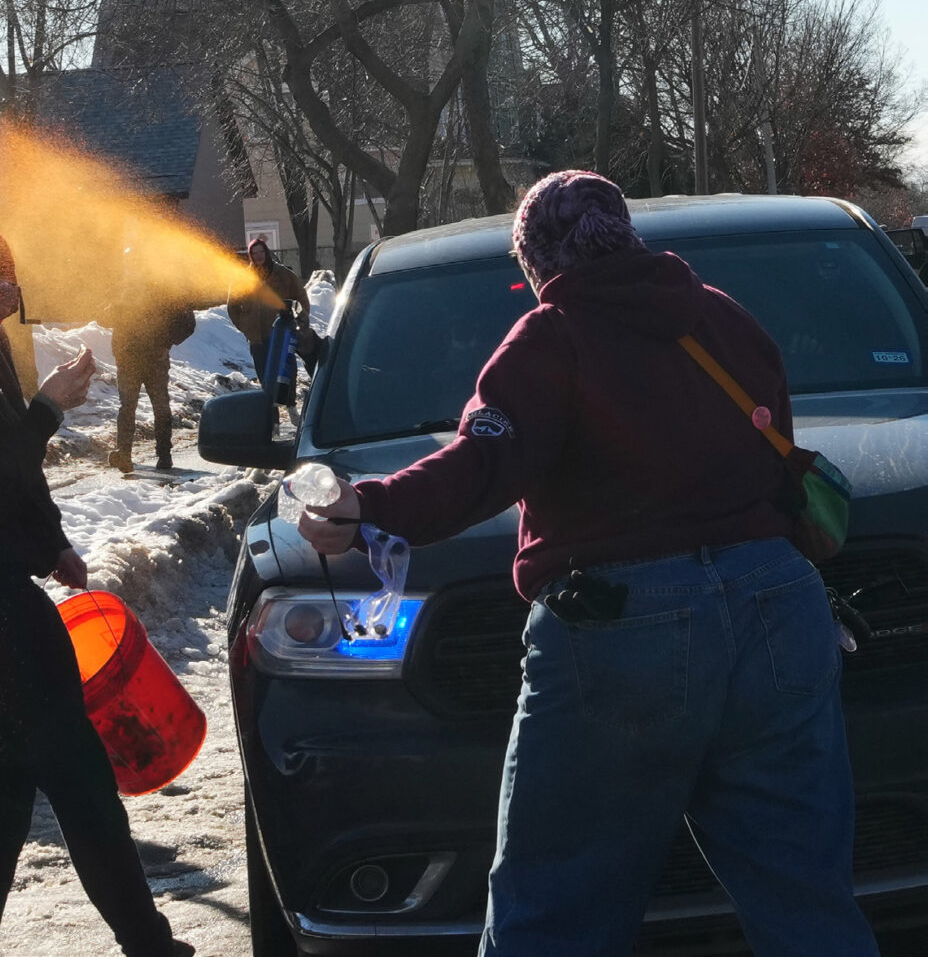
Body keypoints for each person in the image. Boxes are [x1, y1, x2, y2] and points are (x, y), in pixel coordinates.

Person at [297, 170, 878, 957]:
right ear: (624, 234)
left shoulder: (553, 337)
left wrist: (366, 507)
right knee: (806, 897)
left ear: (539, 259)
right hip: (779, 605)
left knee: (553, 910)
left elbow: (483, 465)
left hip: (620, 628)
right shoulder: (725, 321)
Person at [0, 217, 191, 957]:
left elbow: (16, 476)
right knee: (74, 781)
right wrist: (46, 411)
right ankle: (148, 943)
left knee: (0, 792)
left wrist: (51, 544)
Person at [107, 263, 196, 473]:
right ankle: (125, 454)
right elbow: (106, 317)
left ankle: (163, 455)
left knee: (158, 406)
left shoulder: (167, 292)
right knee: (129, 406)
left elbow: (187, 323)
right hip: (129, 358)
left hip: (153, 358)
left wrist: (166, 342)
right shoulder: (125, 291)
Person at [226, 236, 310, 393]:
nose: (259, 255)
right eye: (254, 252)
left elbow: (301, 298)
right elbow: (232, 307)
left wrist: (299, 322)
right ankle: (270, 408)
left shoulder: (284, 275)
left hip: (282, 333)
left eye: (261, 251)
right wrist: (246, 327)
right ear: (250, 255)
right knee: (264, 373)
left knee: (286, 370)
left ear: (267, 252)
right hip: (257, 336)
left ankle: (289, 401)